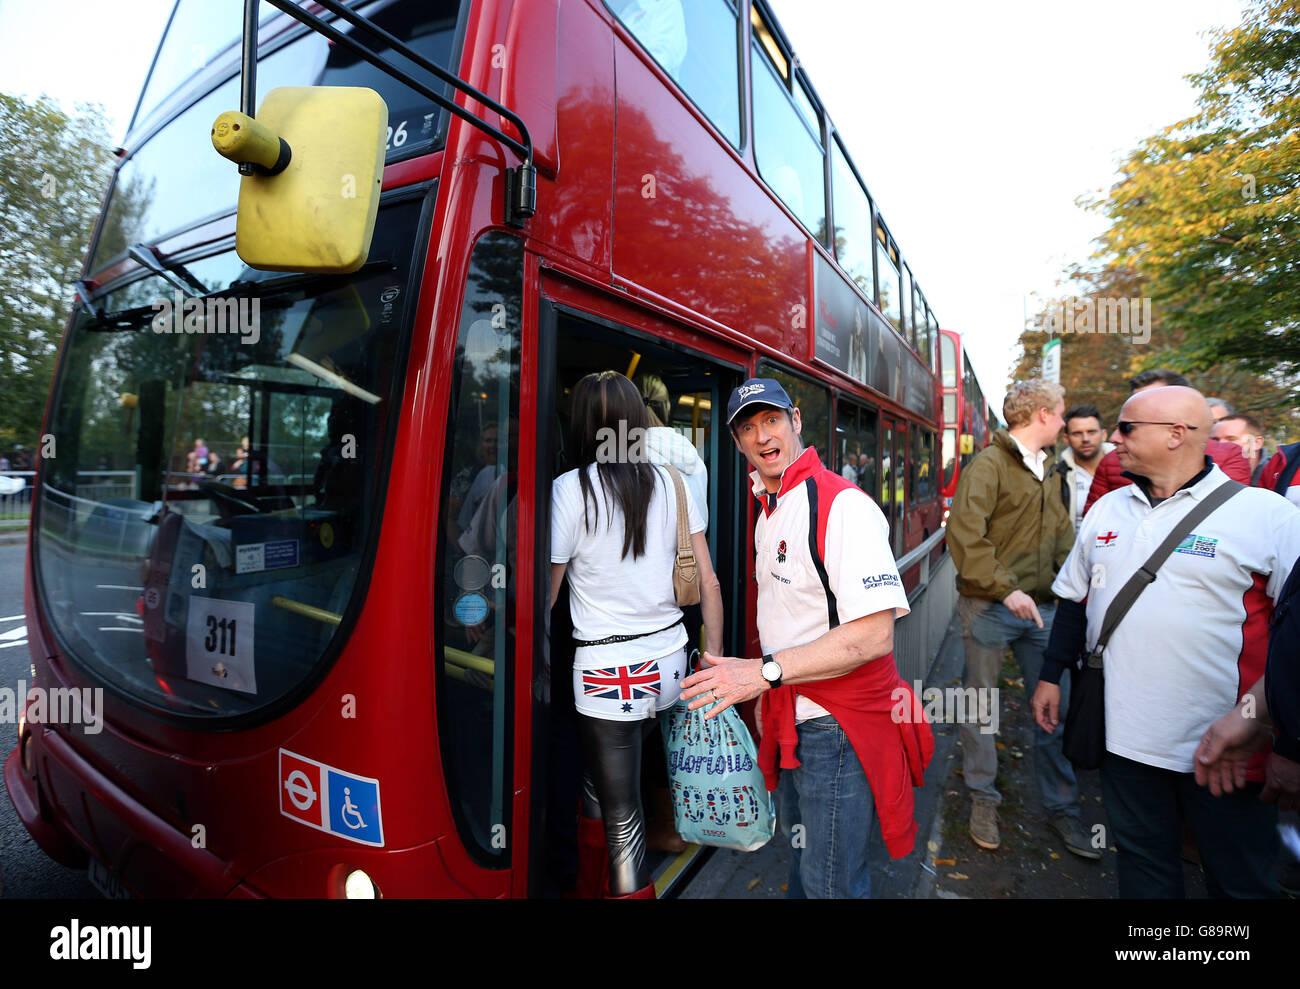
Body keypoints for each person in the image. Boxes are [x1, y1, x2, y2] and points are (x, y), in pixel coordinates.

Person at [1032, 386, 1300, 897]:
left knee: (1239, 881)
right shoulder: (1110, 508)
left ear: (1177, 435)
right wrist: (1050, 674)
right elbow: (1073, 599)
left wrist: (1259, 720)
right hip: (1125, 743)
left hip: (1225, 750)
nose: (1114, 438)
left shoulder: (1268, 517)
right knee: (1142, 866)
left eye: (1127, 428)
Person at [680, 378, 930, 899]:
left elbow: (874, 636)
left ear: (795, 420)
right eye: (747, 428)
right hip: (795, 714)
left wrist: (762, 672)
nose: (762, 436)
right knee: (805, 865)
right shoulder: (768, 503)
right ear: (737, 442)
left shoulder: (842, 505)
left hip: (835, 727)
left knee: (830, 882)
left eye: (771, 420)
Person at [549, 371, 724, 899]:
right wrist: (711, 667)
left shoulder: (569, 490)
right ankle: (588, 889)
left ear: (581, 425)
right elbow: (710, 584)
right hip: (669, 671)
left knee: (625, 830)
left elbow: (546, 599)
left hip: (608, 681)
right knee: (599, 785)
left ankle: (598, 885)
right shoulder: (671, 483)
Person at [945, 379, 1087, 857]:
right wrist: (1007, 591)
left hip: (1043, 609)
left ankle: (1062, 808)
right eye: (1061, 413)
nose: (1065, 423)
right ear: (1043, 415)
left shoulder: (1050, 470)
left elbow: (1064, 539)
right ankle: (984, 800)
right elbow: (965, 539)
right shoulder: (987, 466)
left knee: (1054, 710)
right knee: (979, 707)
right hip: (991, 608)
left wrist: (1080, 585)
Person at [1083, 370, 1250, 514]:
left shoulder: (1229, 455)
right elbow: (1094, 530)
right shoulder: (1112, 462)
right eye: (1137, 398)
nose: (1115, 439)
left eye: (1154, 398)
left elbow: (1229, 517)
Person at [1055, 404, 1113, 533]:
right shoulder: (1058, 476)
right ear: (1066, 439)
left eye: (1091, 432)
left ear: (1103, 435)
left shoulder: (1127, 468)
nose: (1085, 439)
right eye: (1077, 434)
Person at [1210, 414, 1266, 485]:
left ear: (1256, 443)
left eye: (1231, 439)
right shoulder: (1207, 470)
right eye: (1215, 440)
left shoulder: (1276, 475)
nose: (1221, 444)